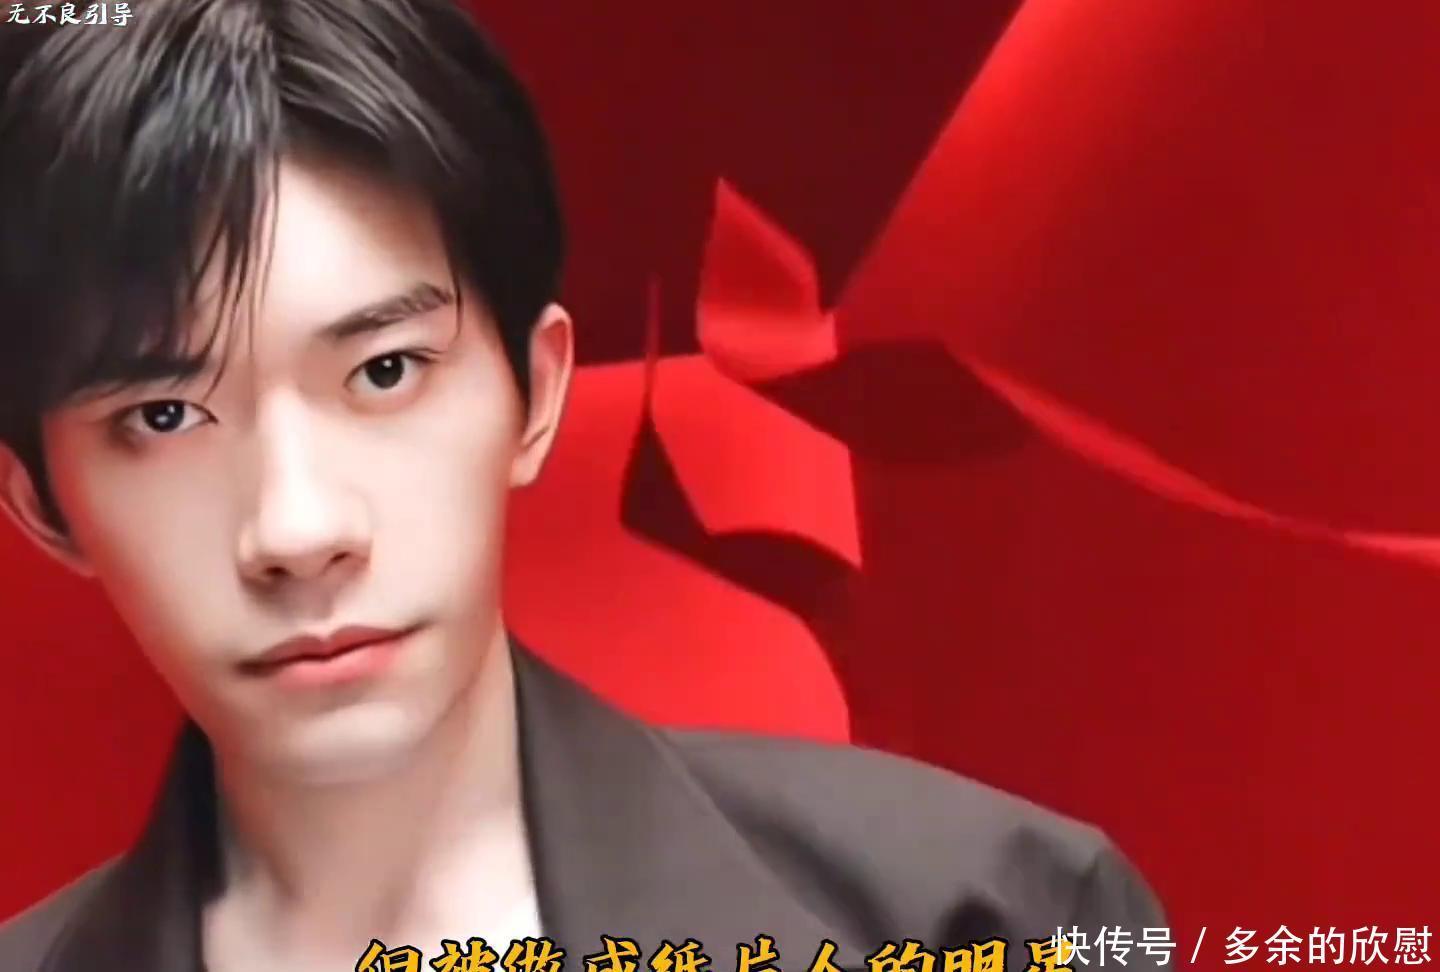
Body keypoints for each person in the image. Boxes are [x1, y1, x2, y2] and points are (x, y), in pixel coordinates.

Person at [0, 2, 1166, 970]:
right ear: (41, 503)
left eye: (385, 371)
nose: (300, 527)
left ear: (537, 391)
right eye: (164, 416)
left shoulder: (984, 919)